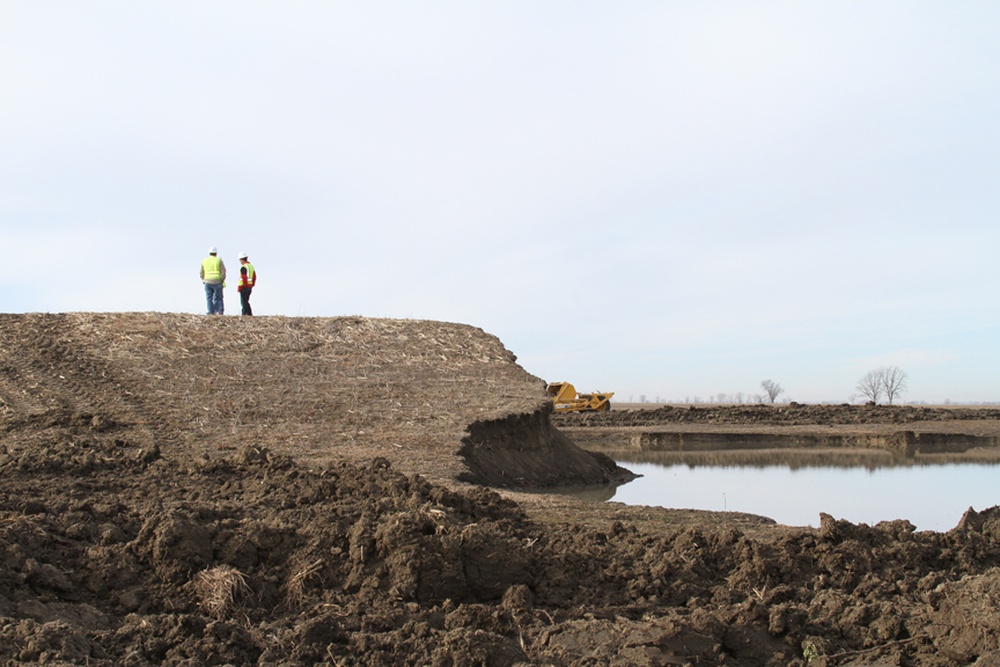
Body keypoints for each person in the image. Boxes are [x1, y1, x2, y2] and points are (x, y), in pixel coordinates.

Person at [200, 247, 226, 315]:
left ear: (209, 253)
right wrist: (221, 280)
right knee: (219, 298)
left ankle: (210, 312)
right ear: (216, 253)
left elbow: (201, 272)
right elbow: (223, 271)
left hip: (207, 281)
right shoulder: (219, 260)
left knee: (209, 298)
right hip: (217, 281)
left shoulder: (204, 261)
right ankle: (220, 311)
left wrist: (203, 279)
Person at [237, 252, 256, 316]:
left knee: (244, 302)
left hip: (244, 287)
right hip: (249, 286)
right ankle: (248, 313)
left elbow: (243, 277)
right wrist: (252, 284)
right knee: (246, 301)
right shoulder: (251, 267)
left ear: (242, 259)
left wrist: (241, 287)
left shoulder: (243, 267)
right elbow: (254, 277)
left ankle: (245, 314)